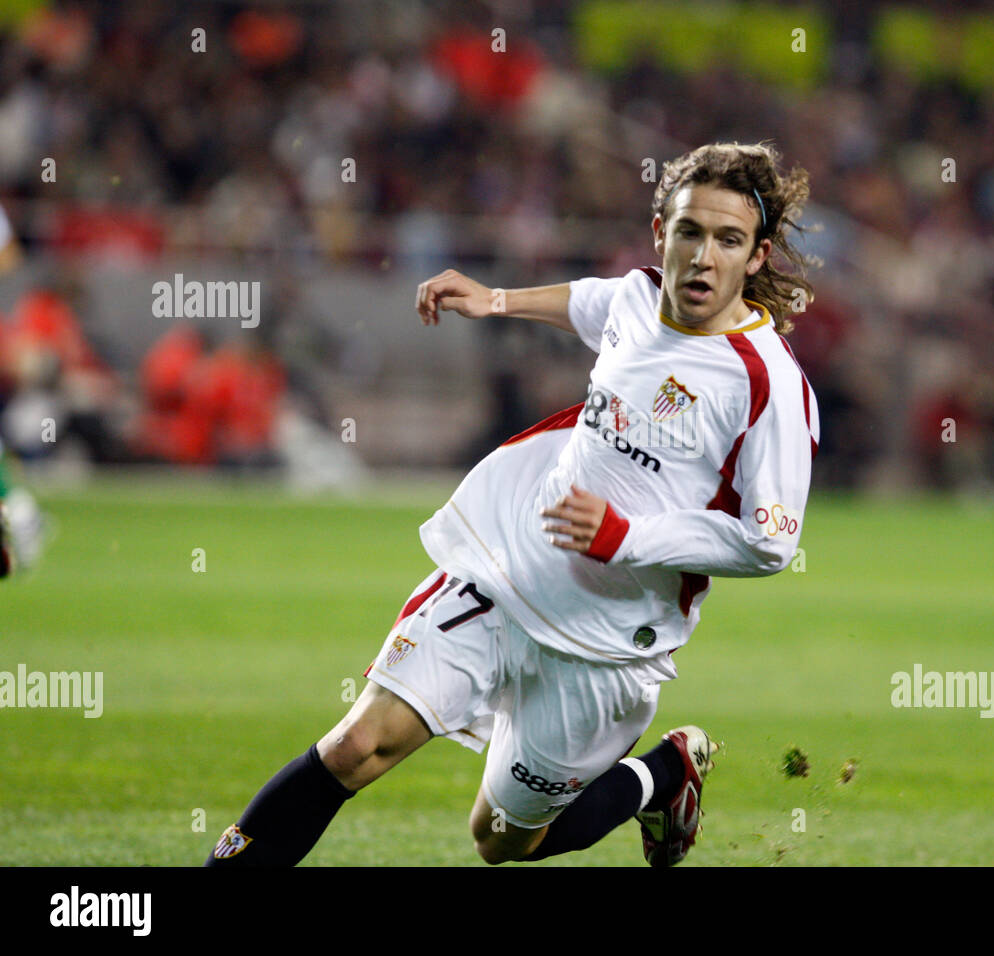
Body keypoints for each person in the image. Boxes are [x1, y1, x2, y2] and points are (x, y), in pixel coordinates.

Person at [205, 141, 820, 866]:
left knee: (501, 842)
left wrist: (629, 536)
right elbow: (591, 304)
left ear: (757, 256)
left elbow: (769, 542)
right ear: (661, 234)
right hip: (505, 572)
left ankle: (663, 775)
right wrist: (492, 300)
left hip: (608, 645)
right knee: (355, 747)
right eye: (689, 232)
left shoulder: (767, 384)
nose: (703, 257)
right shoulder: (637, 298)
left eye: (728, 240)